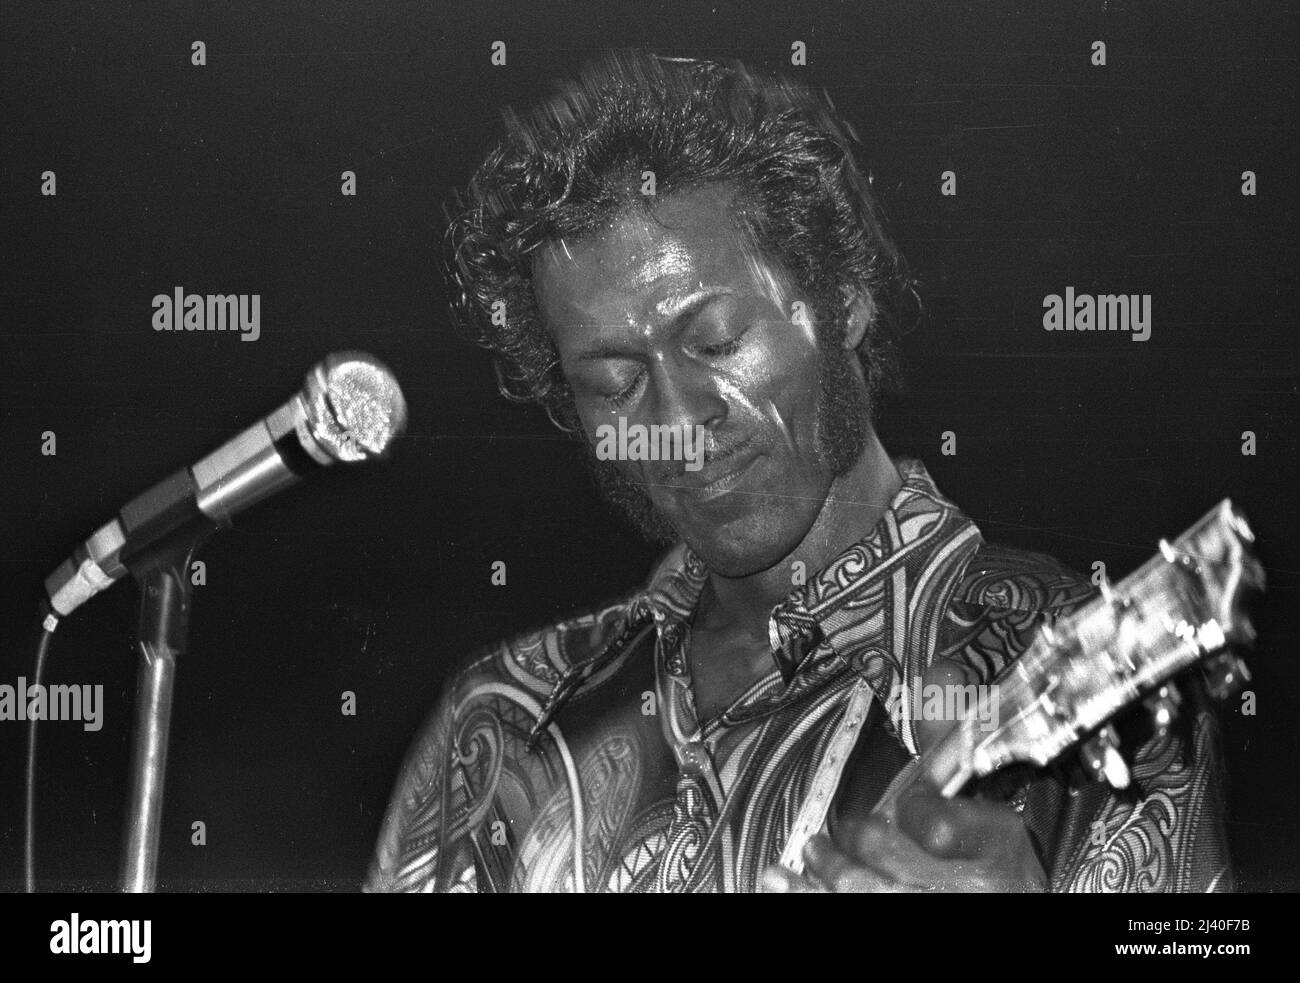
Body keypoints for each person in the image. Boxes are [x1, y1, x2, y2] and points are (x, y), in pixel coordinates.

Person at [365, 50, 1230, 893]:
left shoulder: (1060, 651)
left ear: (842, 297)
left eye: (716, 341)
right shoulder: (506, 717)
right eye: (614, 382)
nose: (676, 419)